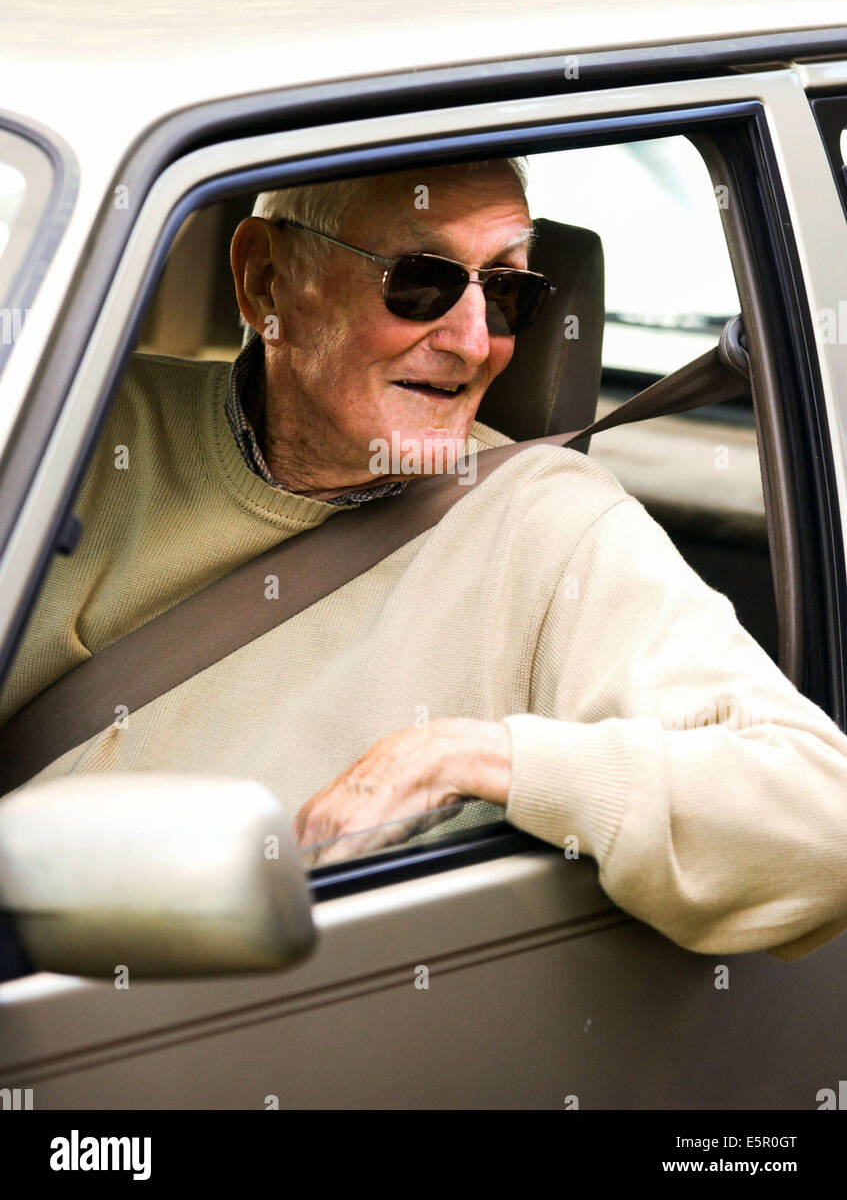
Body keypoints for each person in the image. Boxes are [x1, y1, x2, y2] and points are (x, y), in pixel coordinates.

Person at [2, 157, 846, 960]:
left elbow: (819, 818)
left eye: (508, 292)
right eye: (420, 282)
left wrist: (464, 757)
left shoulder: (548, 524)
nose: (475, 342)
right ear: (266, 281)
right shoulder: (79, 430)